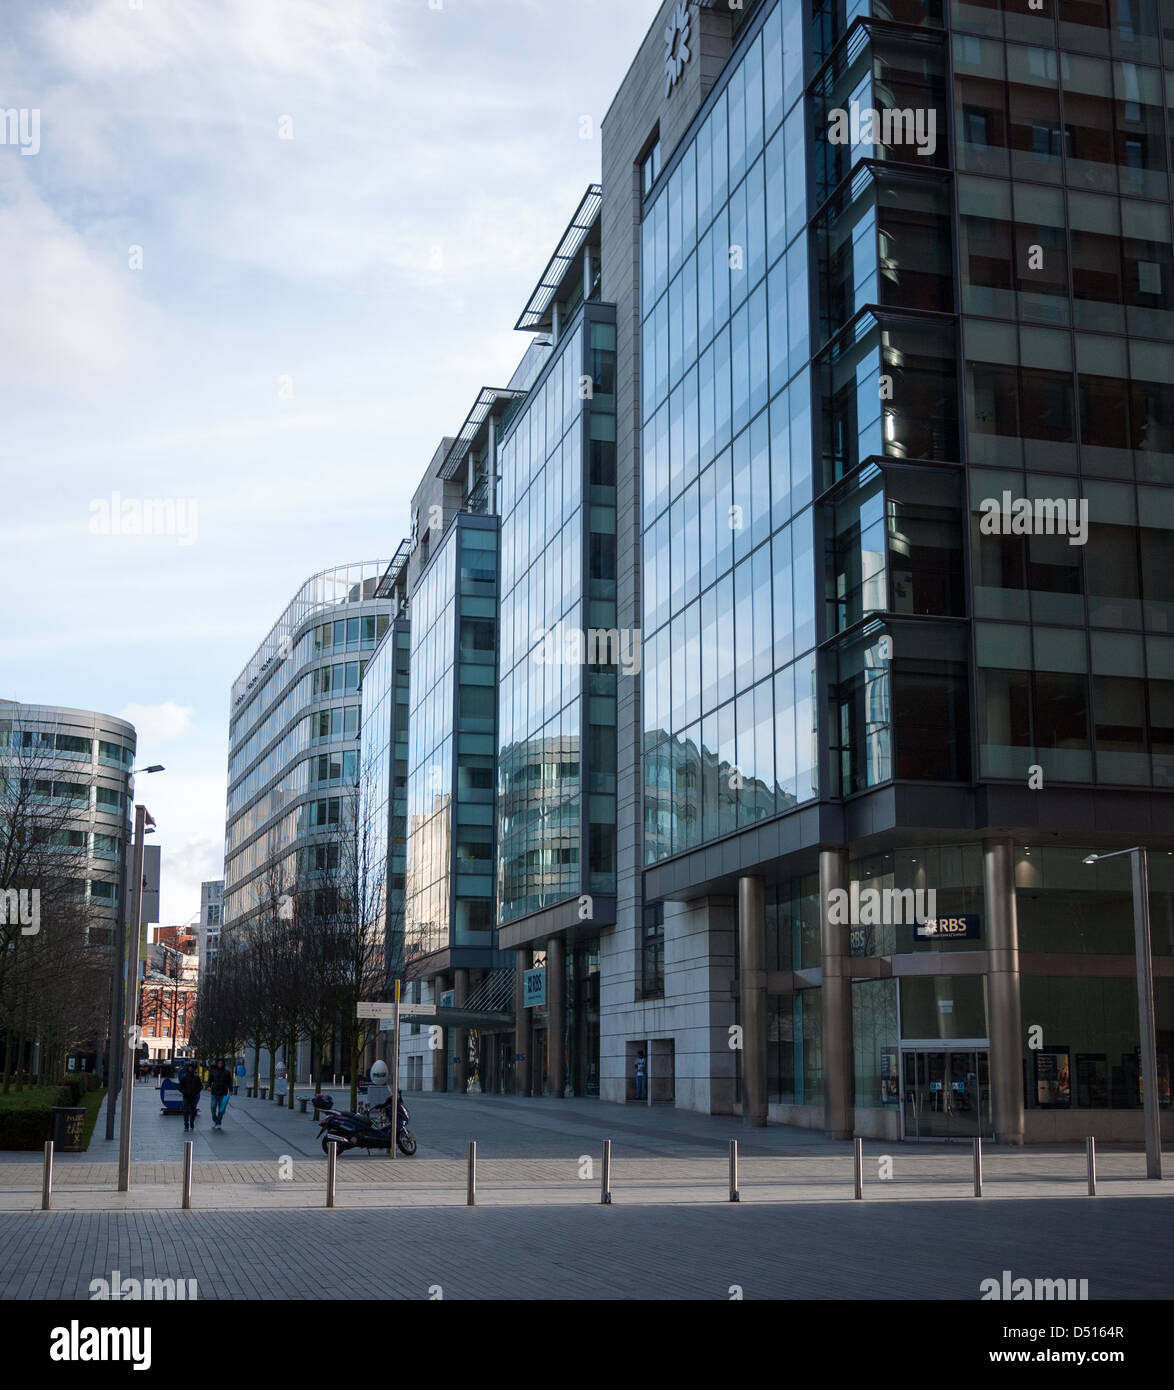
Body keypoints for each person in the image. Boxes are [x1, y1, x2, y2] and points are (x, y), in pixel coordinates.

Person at [207, 1058, 233, 1129]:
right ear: (216, 1064)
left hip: (223, 1093)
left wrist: (230, 1089)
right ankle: (215, 1120)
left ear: (223, 1064)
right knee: (213, 1107)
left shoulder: (227, 1072)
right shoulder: (213, 1071)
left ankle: (218, 1122)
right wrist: (208, 1086)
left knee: (221, 1109)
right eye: (219, 1063)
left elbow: (229, 1082)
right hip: (214, 1093)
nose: (220, 1064)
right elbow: (209, 1080)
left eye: (221, 1063)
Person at [178, 1062, 202, 1131]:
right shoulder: (184, 1077)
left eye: (192, 1067)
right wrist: (184, 1092)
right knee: (185, 1111)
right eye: (189, 1067)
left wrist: (196, 1092)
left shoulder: (196, 1077)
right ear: (187, 1068)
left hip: (193, 1096)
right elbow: (180, 1087)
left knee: (193, 1111)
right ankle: (186, 1124)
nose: (190, 1068)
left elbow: (200, 1086)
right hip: (186, 1096)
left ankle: (191, 1122)